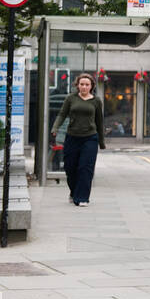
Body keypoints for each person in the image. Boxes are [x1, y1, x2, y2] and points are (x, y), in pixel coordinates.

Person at [50, 73, 105, 206]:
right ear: (77, 85)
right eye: (82, 84)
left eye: (87, 84)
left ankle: (82, 198)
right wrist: (55, 128)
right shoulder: (71, 98)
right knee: (70, 168)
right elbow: (62, 114)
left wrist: (101, 142)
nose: (84, 87)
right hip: (72, 137)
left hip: (90, 138)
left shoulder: (96, 101)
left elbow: (99, 121)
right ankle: (74, 192)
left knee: (85, 168)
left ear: (91, 86)